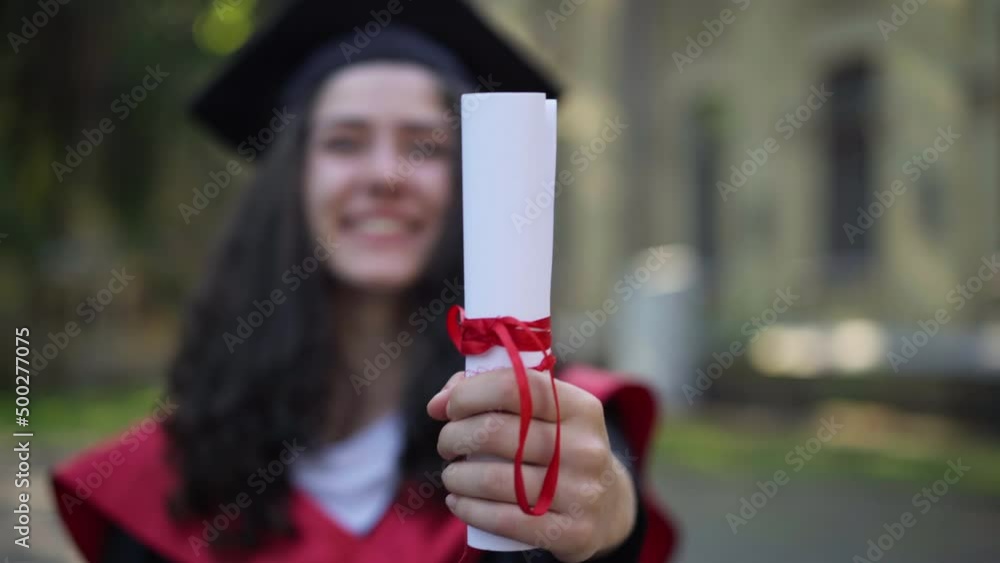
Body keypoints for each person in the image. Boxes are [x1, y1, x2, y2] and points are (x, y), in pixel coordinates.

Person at [51, 1, 678, 561]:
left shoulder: (549, 433)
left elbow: (601, 511)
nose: (386, 174)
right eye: (346, 142)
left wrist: (611, 520)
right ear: (291, 181)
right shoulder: (168, 478)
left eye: (425, 147)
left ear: (469, 183)